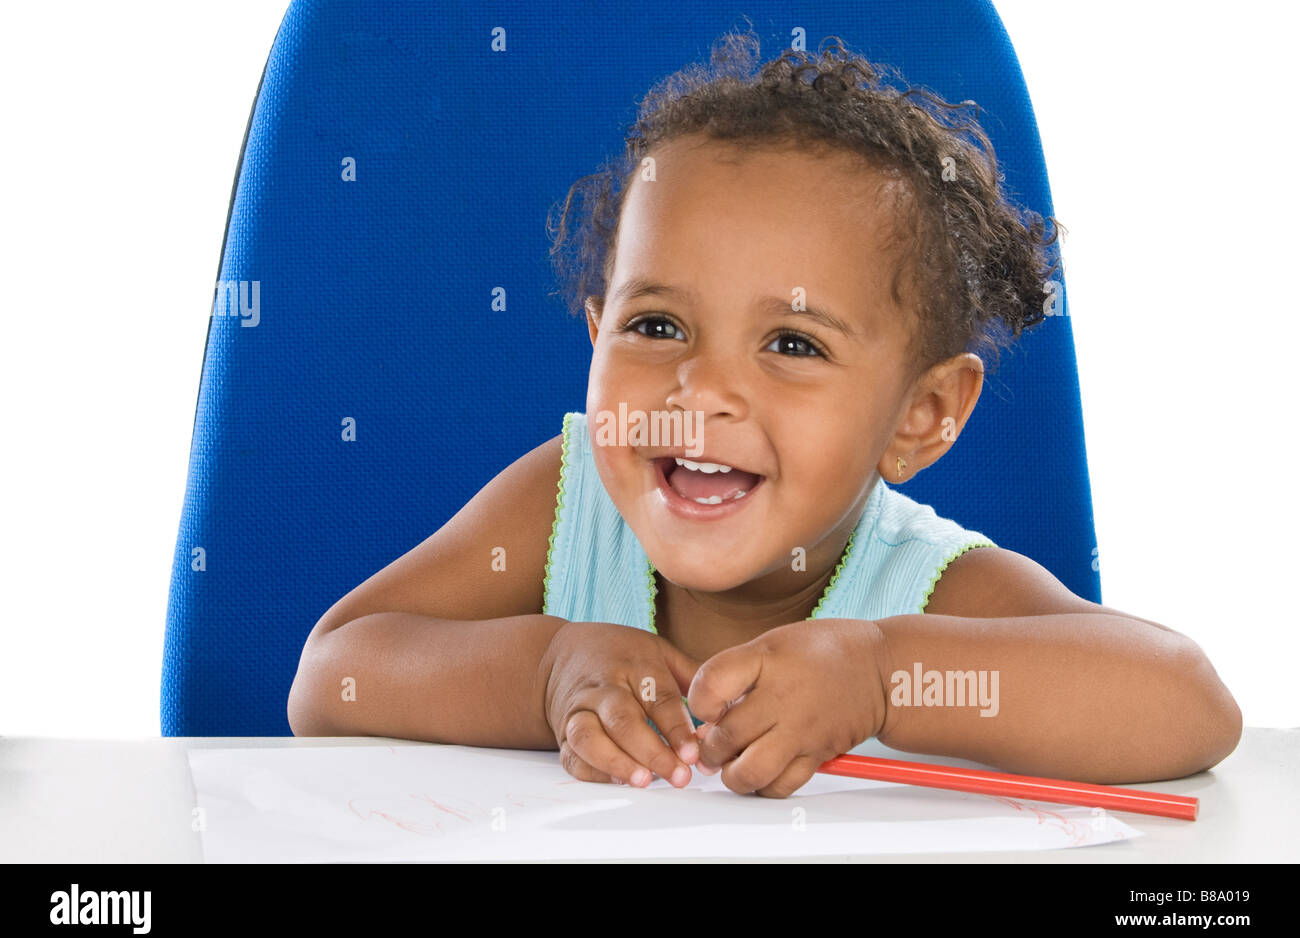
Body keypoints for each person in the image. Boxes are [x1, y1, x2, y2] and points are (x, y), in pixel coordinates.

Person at [288, 28, 1241, 799]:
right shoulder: (568, 506)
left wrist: (881, 677)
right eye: (657, 325)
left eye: (792, 344)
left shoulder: (921, 588)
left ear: (923, 415)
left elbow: (1189, 704)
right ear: (595, 337)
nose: (700, 392)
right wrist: (544, 675)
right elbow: (332, 676)